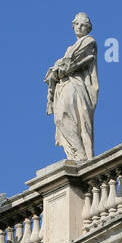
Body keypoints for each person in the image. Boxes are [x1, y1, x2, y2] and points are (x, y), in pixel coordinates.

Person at [45, 13, 98, 162]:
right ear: (73, 25)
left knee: (66, 118)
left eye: (83, 25)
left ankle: (80, 155)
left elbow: (70, 64)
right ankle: (75, 154)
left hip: (75, 87)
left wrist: (57, 70)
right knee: (61, 119)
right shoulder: (71, 47)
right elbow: (66, 64)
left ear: (88, 28)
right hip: (65, 87)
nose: (80, 27)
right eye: (77, 24)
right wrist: (58, 69)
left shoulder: (89, 41)